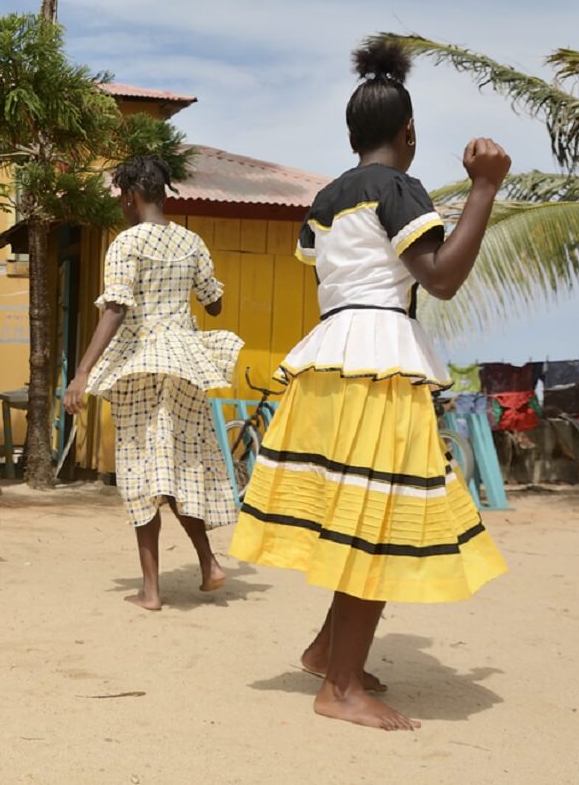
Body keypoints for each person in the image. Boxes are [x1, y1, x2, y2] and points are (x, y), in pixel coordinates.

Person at [227, 42, 511, 731]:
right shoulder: (397, 188)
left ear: (351, 137)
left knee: (358, 514)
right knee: (375, 523)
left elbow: (330, 266)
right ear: (407, 134)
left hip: (332, 360)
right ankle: (342, 687)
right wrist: (483, 188)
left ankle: (327, 651)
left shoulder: (327, 199)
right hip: (379, 362)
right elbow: (438, 277)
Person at [64, 155, 244, 611]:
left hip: (143, 365)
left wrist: (83, 372)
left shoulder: (127, 243)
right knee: (179, 467)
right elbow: (215, 304)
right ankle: (209, 564)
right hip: (186, 363)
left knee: (143, 472)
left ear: (130, 196)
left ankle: (151, 590)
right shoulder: (192, 242)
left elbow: (117, 308)